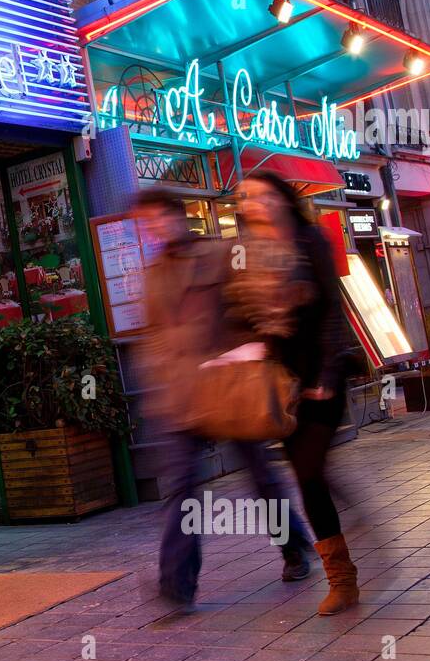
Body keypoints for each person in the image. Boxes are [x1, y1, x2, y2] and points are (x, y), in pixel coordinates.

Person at [133, 189, 312, 611]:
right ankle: (176, 588)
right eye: (146, 223)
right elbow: (154, 331)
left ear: (177, 216)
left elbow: (258, 299)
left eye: (157, 219)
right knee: (181, 490)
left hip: (230, 386)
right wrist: (158, 375)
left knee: (261, 477)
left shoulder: (222, 253)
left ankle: (295, 548)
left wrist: (252, 348)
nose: (153, 229)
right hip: (180, 394)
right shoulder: (154, 272)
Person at [236, 172, 358, 615]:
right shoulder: (246, 253)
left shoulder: (310, 240)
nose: (255, 203)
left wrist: (327, 370)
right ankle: (340, 565)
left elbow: (330, 306)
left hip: (322, 373)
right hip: (280, 382)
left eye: (264, 195)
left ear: (283, 198)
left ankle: (342, 581)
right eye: (246, 197)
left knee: (308, 472)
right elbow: (245, 317)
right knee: (308, 475)